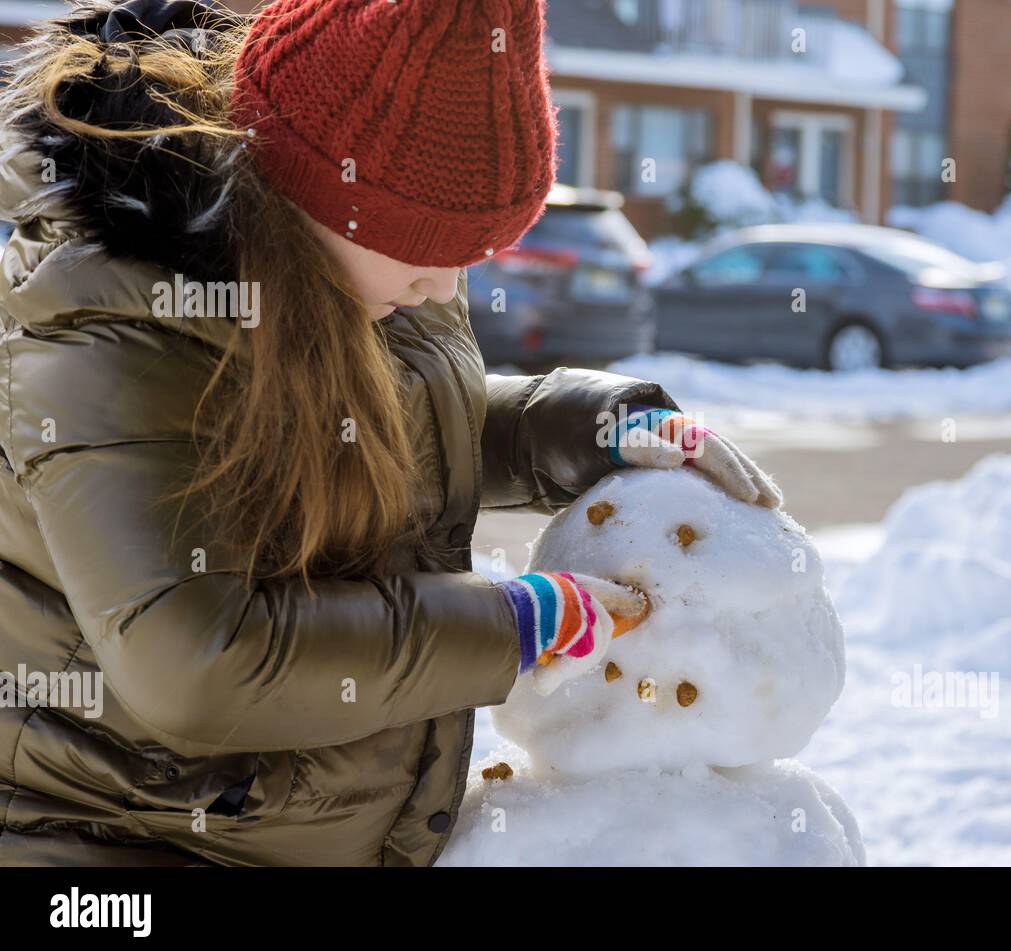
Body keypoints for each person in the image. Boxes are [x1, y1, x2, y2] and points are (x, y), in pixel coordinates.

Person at [0, 0, 781, 866]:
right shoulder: (117, 327)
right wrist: (513, 623)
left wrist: (600, 427)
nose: (446, 285)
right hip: (113, 839)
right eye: (431, 245)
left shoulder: (351, 274)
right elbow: (204, 659)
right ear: (333, 196)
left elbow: (401, 436)